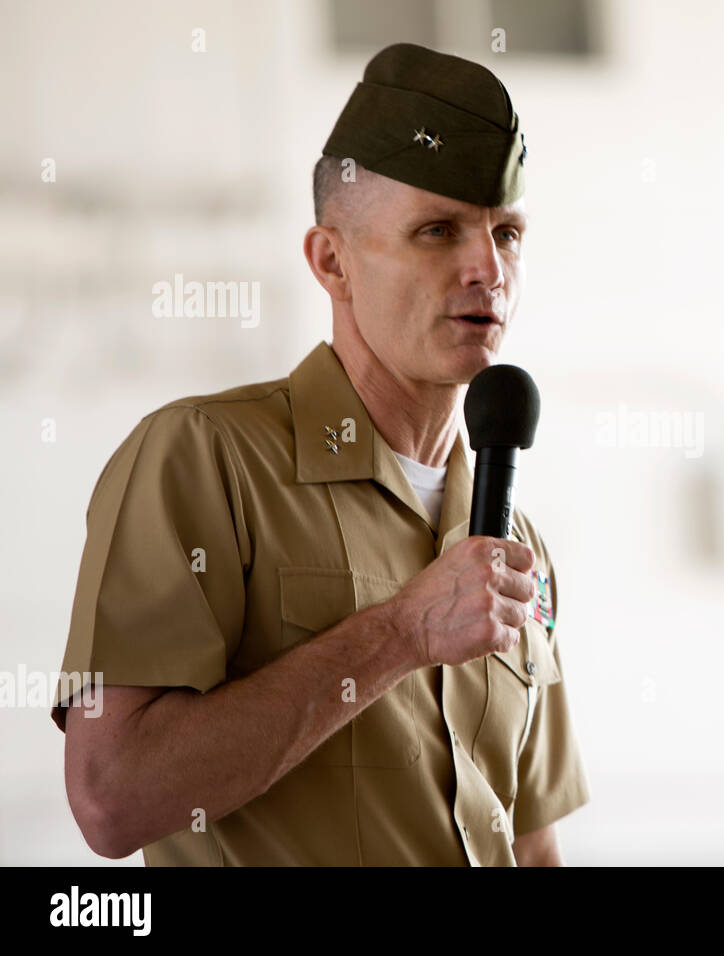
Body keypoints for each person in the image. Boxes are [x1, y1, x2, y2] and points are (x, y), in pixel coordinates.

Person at [51, 43, 590, 866]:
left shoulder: (516, 545)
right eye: (438, 230)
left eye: (506, 233)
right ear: (331, 261)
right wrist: (403, 633)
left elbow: (532, 843)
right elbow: (112, 798)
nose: (489, 270)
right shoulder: (204, 460)